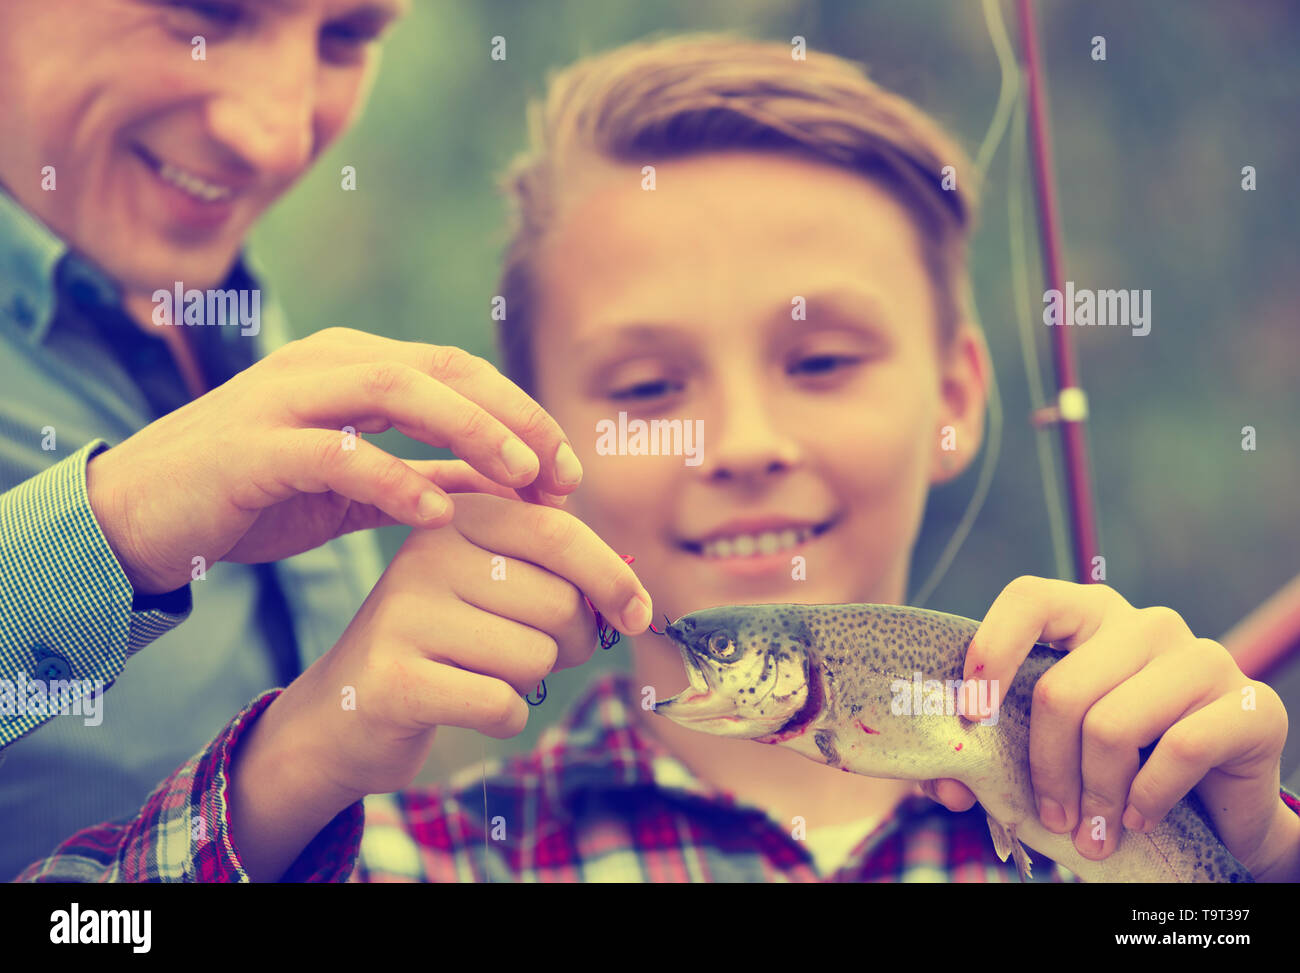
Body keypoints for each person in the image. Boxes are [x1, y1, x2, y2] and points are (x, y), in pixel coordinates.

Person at [16, 34, 1300, 883]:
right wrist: (293, 762)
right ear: (529, 436)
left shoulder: (1122, 834)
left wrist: (1248, 862)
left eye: (821, 362)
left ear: (958, 392)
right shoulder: (413, 853)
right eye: (645, 386)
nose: (739, 443)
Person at [0, 0, 645, 880]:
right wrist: (114, 531)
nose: (273, 134)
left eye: (347, 38)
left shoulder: (242, 328)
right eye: (203, 16)